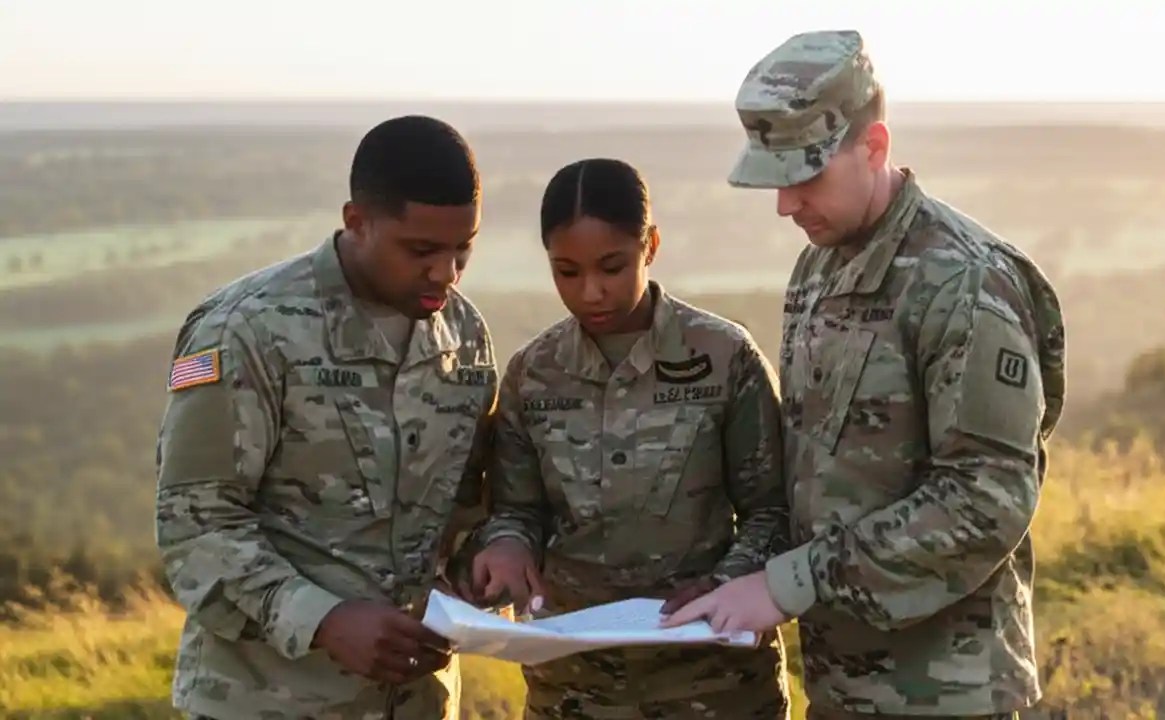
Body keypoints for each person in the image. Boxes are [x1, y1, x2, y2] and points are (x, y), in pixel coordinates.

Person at [662, 30, 1067, 720]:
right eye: (775, 180)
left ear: (873, 147)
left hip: (945, 694)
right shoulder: (820, 269)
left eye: (805, 177)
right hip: (842, 687)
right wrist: (740, 578)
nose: (786, 205)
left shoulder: (963, 283)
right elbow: (817, 478)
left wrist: (792, 584)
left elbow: (987, 496)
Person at [153, 115, 498, 720]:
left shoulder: (462, 334)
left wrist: (482, 569)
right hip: (266, 703)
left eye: (462, 249)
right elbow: (196, 526)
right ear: (357, 221)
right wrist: (325, 620)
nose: (445, 272)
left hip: (419, 703)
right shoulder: (249, 330)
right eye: (421, 250)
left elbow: (465, 507)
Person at [460, 157, 792, 719]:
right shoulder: (532, 373)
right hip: (574, 687)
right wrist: (508, 546)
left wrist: (727, 581)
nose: (591, 292)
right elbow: (516, 508)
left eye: (613, 266)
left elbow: (774, 510)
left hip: (713, 682)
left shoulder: (722, 358)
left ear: (651, 246)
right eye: (566, 271)